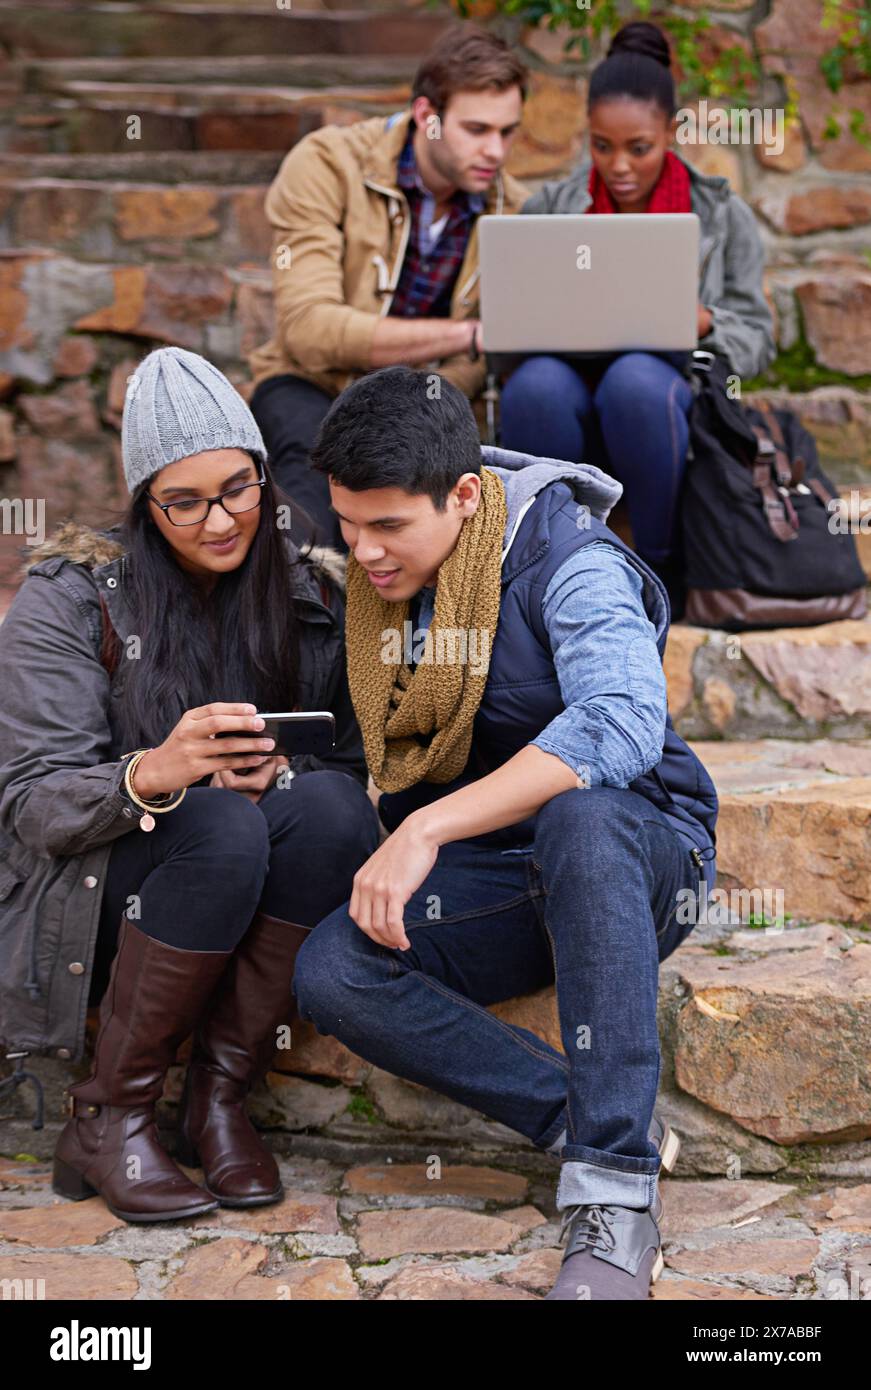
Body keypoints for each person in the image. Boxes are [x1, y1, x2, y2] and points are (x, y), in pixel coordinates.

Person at [291, 364, 719, 1301]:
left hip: (635, 854)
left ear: (466, 494)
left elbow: (617, 721)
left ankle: (613, 1197)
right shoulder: (380, 592)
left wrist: (424, 830)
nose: (362, 552)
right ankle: (592, 1114)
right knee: (333, 970)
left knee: (581, 815)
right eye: (346, 524)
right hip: (500, 876)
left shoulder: (570, 559)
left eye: (388, 526)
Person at [0, 346, 379, 1224]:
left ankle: (217, 1097)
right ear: (144, 501)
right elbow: (32, 805)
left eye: (240, 488)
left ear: (262, 473)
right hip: (88, 889)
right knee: (218, 828)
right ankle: (110, 1114)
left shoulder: (308, 591)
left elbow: (358, 764)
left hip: (228, 868)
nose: (220, 521)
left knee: (324, 810)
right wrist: (157, 773)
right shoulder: (71, 598)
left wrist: (287, 769)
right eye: (184, 501)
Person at [499, 19, 776, 618]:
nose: (618, 165)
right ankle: (542, 569)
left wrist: (701, 322)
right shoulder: (549, 208)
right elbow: (506, 328)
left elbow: (757, 340)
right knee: (536, 388)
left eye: (638, 147)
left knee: (634, 381)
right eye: (602, 145)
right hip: (563, 395)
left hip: (658, 409)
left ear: (672, 133)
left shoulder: (724, 216)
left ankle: (658, 567)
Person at [247, 23, 529, 550]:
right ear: (428, 116)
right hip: (312, 383)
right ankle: (302, 626)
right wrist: (468, 335)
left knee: (450, 521)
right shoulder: (328, 164)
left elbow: (497, 352)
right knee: (314, 521)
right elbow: (308, 328)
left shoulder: (511, 209)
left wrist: (432, 395)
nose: (495, 150)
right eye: (476, 129)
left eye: (507, 131)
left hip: (426, 399)